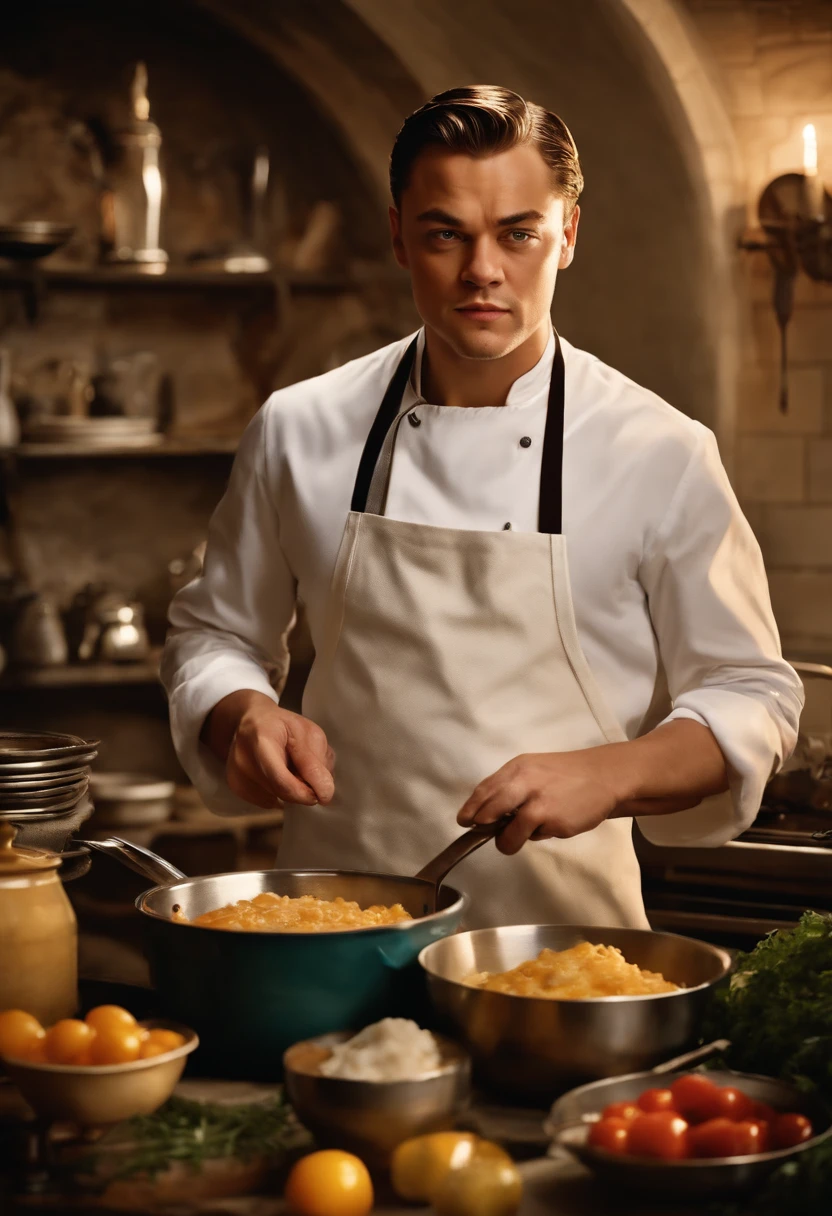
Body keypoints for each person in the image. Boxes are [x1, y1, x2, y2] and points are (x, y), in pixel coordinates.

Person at [161, 86, 803, 929]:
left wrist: (611, 772)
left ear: (567, 235)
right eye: (446, 234)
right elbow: (216, 635)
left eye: (517, 234)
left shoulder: (660, 451)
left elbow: (751, 693)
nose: (482, 271)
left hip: (565, 947)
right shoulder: (299, 426)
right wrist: (240, 714)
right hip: (335, 928)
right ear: (399, 236)